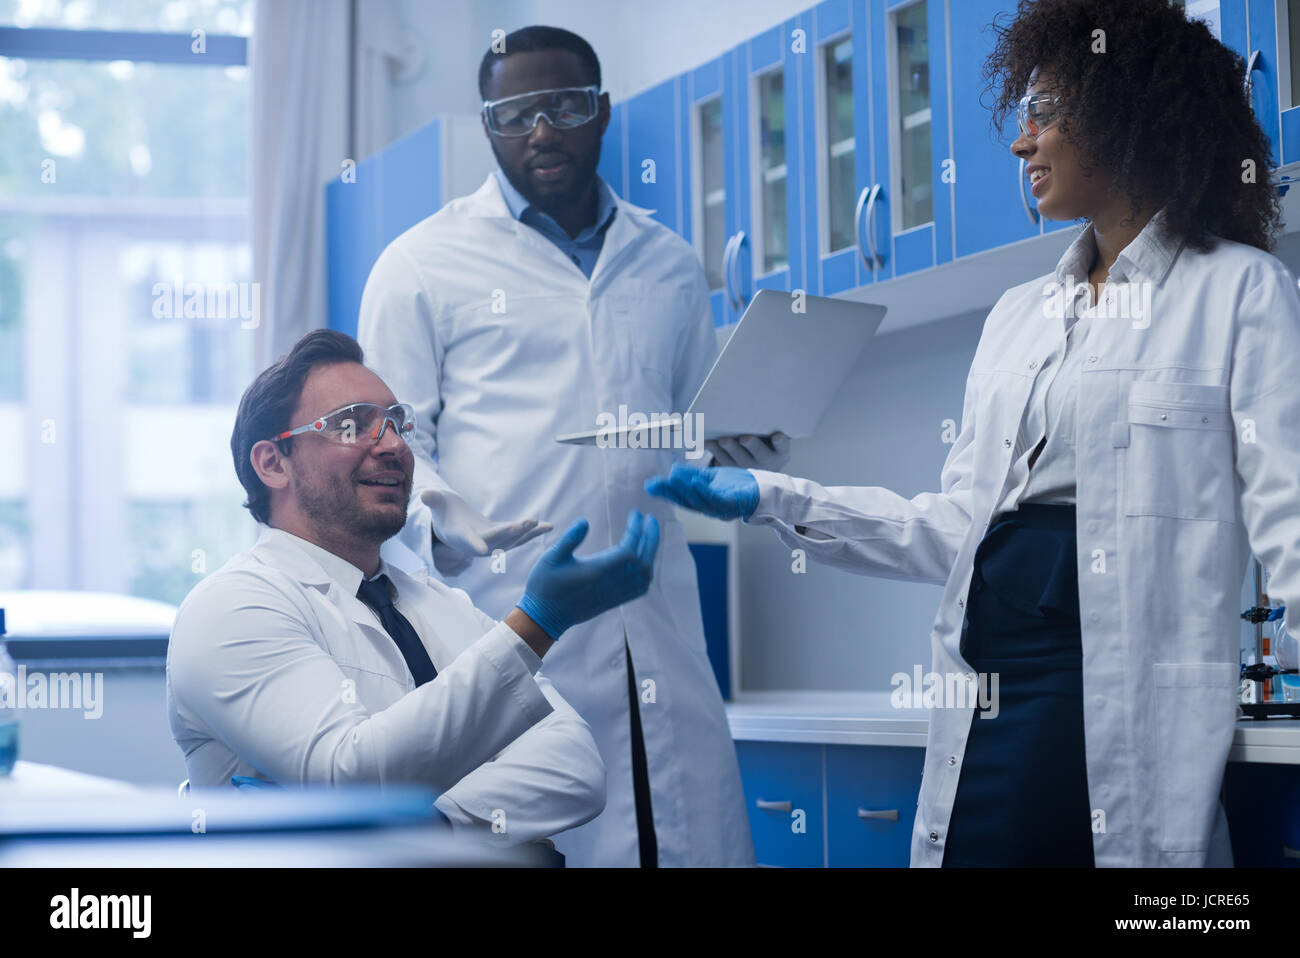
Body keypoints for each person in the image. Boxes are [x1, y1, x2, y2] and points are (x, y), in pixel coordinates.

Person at [648, 0, 1300, 867]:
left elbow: (1291, 520)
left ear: (1126, 109)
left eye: (1042, 112)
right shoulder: (1016, 317)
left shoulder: (1240, 293)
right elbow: (958, 528)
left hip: (1106, 694)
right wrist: (775, 497)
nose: (1020, 141)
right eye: (1020, 115)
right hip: (984, 689)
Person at [357, 25, 787, 866]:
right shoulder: (420, 265)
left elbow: (692, 430)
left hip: (658, 619)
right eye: (516, 113)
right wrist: (445, 513)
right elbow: (390, 445)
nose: (542, 129)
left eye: (565, 106)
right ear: (488, 125)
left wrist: (735, 452)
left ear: (603, 113)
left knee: (685, 840)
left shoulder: (667, 263)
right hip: (510, 620)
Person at [167, 330, 661, 848]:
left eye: (396, 423)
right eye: (353, 425)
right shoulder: (234, 608)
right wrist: (535, 625)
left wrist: (427, 827)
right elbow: (350, 777)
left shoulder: (443, 604)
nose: (395, 446)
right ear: (272, 463)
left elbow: (576, 769)